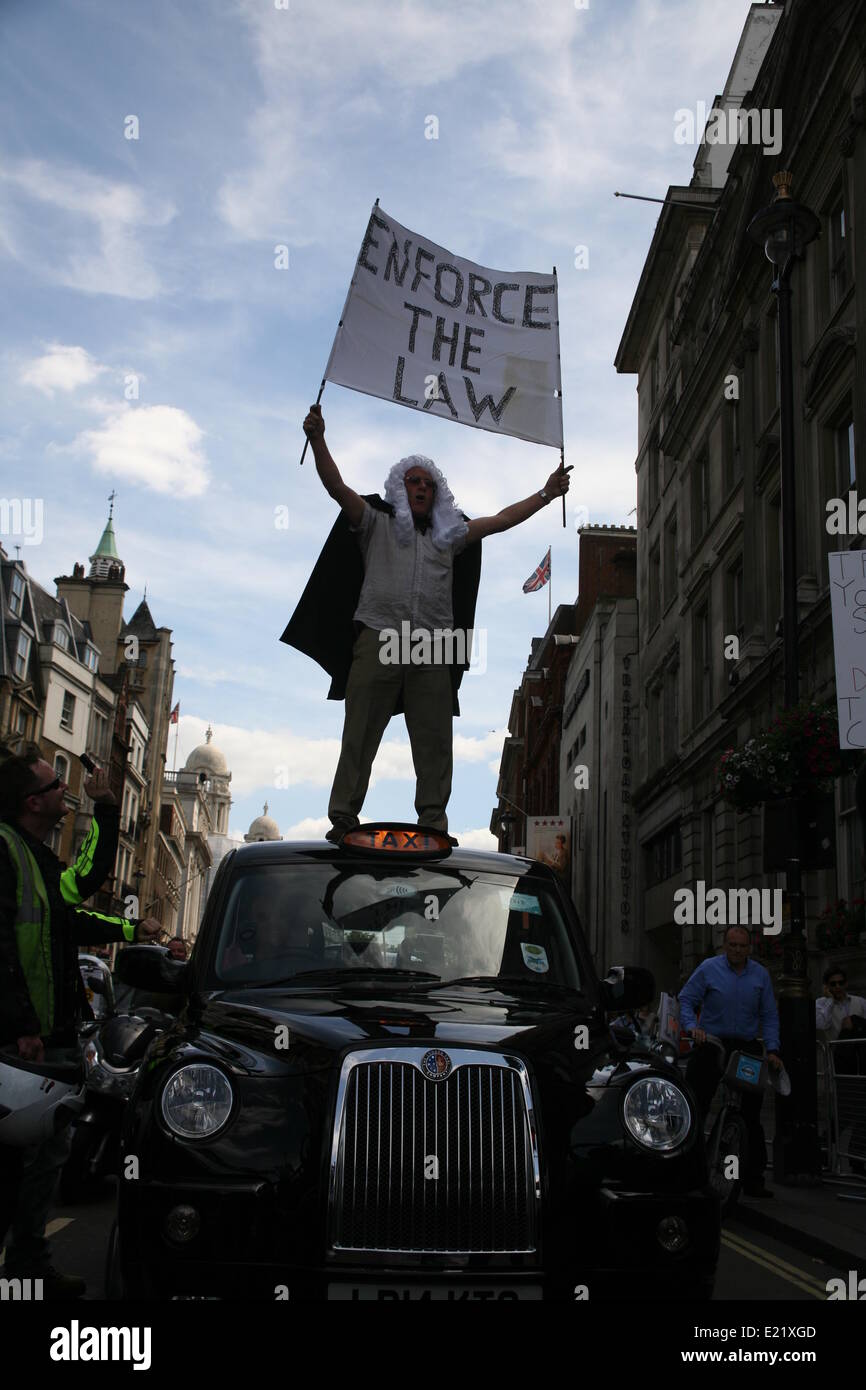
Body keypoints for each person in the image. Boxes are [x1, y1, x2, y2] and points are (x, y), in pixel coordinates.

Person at [283, 405, 572, 842]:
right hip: (379, 636)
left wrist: (546, 493)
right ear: (400, 489)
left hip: (434, 647)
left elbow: (502, 519)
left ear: (436, 495)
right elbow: (336, 487)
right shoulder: (374, 522)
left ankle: (433, 823)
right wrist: (319, 439)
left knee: (436, 740)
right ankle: (343, 816)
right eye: (413, 481)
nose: (420, 488)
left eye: (427, 484)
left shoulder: (449, 536)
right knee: (359, 731)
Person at [0, 740, 161, 1297]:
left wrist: (129, 930)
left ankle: (27, 1265)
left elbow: (79, 899)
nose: (64, 789)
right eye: (54, 785)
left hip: (52, 1036)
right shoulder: (4, 852)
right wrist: (21, 1024)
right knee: (18, 1162)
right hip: (21, 1041)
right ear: (30, 802)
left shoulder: (39, 858)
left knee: (46, 1156)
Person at [679, 923, 783, 1200]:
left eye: (742, 946)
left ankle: (752, 1178)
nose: (737, 950)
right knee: (696, 1106)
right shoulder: (708, 968)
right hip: (711, 1043)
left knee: (751, 1114)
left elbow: (770, 1015)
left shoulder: (760, 974)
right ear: (725, 946)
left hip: (746, 1047)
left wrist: (772, 1049)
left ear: (750, 948)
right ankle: (686, 1169)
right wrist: (693, 1028)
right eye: (732, 945)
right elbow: (686, 1000)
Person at [815, 966, 866, 1042]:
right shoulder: (821, 1003)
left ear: (846, 984)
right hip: (836, 1051)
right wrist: (830, 1000)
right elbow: (822, 1025)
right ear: (826, 986)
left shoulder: (860, 1001)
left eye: (841, 983)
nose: (837, 986)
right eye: (833, 984)